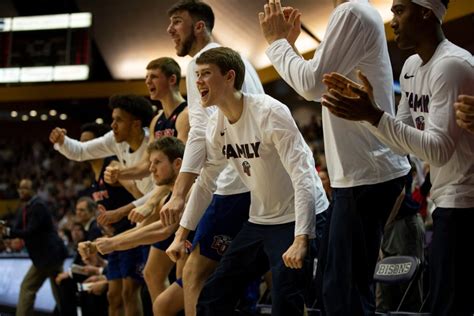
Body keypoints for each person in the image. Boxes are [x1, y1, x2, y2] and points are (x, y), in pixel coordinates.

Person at [321, 0, 474, 314]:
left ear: (426, 12)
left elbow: (437, 150)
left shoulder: (452, 65)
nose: (392, 20)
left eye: (400, 10)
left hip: (465, 200)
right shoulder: (411, 68)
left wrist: (374, 116)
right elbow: (399, 139)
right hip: (445, 199)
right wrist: (365, 115)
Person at [259, 0, 411, 314]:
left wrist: (276, 44)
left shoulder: (351, 11)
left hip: (365, 176)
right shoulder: (354, 12)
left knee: (344, 297)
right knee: (334, 290)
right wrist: (289, 48)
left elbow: (312, 86)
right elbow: (318, 80)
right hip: (362, 175)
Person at [165, 46, 328, 316]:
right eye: (197, 75)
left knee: (285, 301)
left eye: (206, 74)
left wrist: (302, 238)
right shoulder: (216, 125)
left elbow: (303, 176)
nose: (198, 82)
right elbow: (206, 182)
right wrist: (181, 235)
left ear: (229, 77)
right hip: (261, 220)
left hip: (297, 217)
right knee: (213, 296)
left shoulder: (270, 113)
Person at [161, 1, 264, 315]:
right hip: (253, 179)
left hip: (235, 182)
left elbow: (199, 133)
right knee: (239, 281)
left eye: (177, 22)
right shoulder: (234, 59)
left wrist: (179, 194)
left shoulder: (202, 64)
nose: (170, 30)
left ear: (199, 27)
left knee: (194, 272)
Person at [50, 97, 155, 316]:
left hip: (140, 226)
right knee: (114, 296)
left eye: (118, 120)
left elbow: (144, 193)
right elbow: (79, 150)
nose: (113, 125)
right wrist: (62, 141)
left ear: (135, 123)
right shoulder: (108, 153)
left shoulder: (116, 166)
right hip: (117, 237)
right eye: (112, 120)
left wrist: (122, 212)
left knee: (137, 291)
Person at [94, 137, 191, 315]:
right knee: (160, 283)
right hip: (192, 254)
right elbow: (142, 229)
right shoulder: (166, 196)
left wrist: (113, 244)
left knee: (162, 305)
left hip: (213, 256)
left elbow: (164, 229)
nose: (151, 168)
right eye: (150, 162)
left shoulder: (190, 189)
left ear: (177, 164)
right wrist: (102, 244)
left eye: (157, 162)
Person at [0, 178, 68, 316]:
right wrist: (5, 230)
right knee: (59, 292)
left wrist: (8, 232)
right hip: (46, 256)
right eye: (20, 188)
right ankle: (68, 312)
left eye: (25, 188)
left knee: (28, 287)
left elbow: (30, 231)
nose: (21, 191)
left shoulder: (38, 206)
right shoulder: (26, 207)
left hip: (48, 255)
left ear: (33, 190)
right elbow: (16, 228)